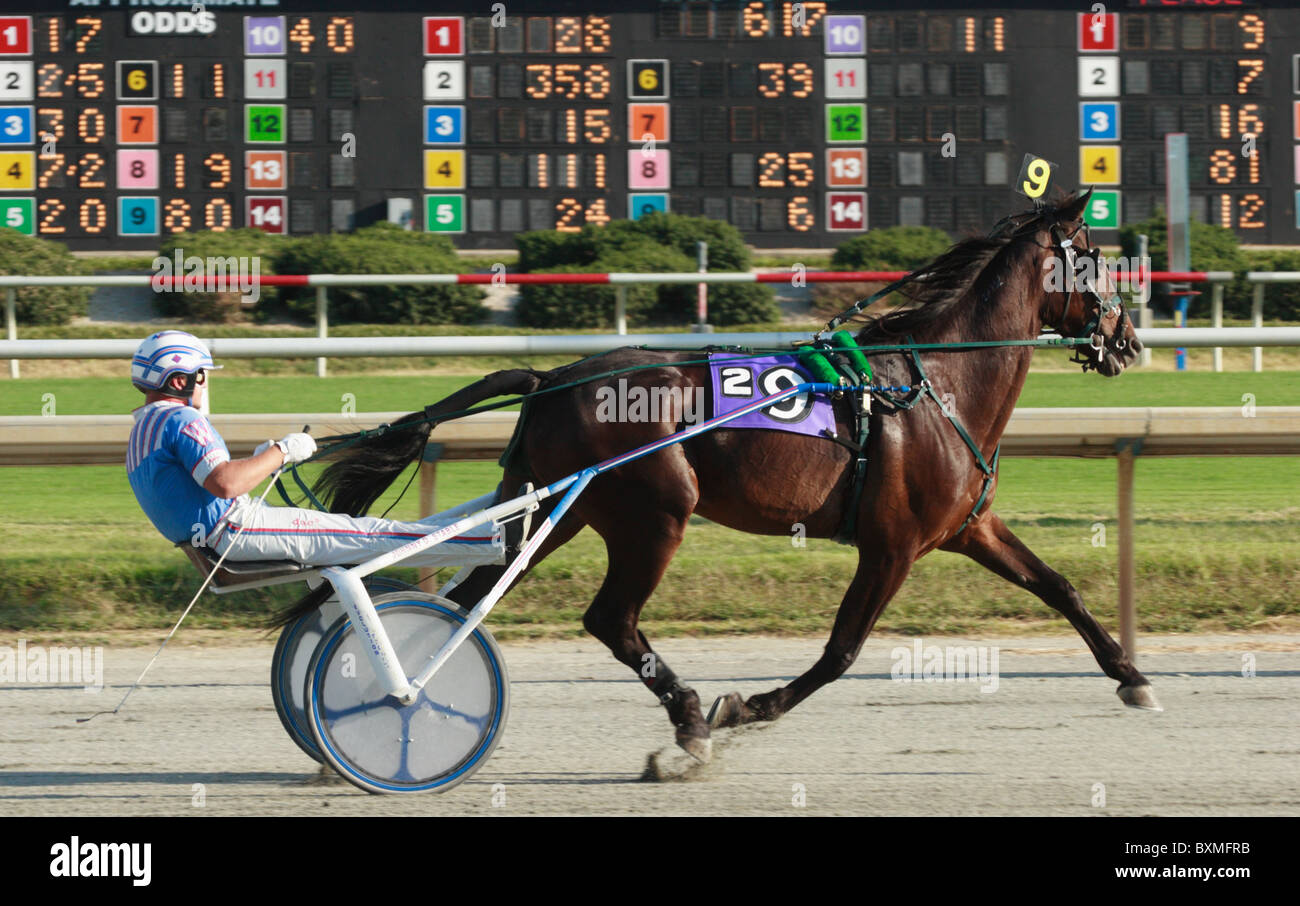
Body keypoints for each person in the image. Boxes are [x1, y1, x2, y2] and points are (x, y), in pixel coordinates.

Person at [125, 330, 504, 568]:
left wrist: (262, 460)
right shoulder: (181, 421)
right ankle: (497, 543)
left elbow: (199, 487)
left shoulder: (144, 428)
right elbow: (224, 484)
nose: (206, 385)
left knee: (373, 533)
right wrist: (283, 452)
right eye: (203, 376)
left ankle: (493, 513)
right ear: (179, 380)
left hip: (223, 532)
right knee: (373, 535)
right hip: (235, 529)